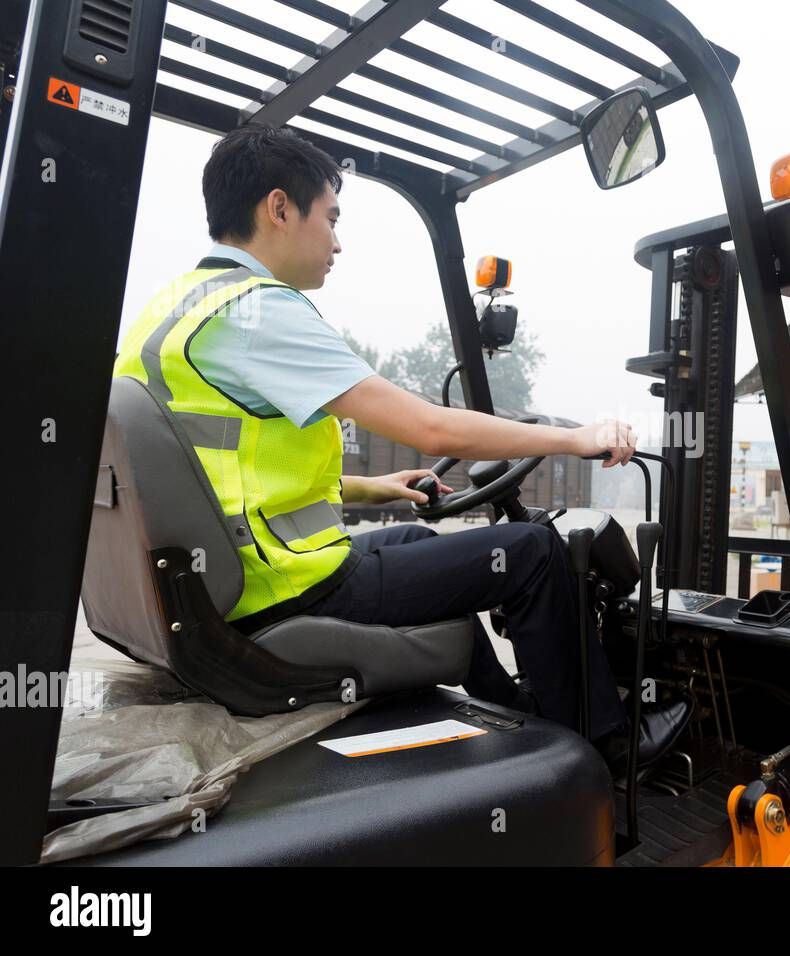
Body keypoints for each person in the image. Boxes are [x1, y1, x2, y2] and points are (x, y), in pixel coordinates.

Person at [112, 123, 689, 764]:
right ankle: (606, 744)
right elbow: (431, 428)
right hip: (280, 593)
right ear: (279, 208)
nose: (337, 242)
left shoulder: (173, 308)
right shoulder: (258, 311)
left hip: (226, 588)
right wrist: (573, 437)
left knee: (418, 540)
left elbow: (221, 474)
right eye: (330, 219)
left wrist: (375, 487)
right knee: (534, 551)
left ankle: (524, 720)